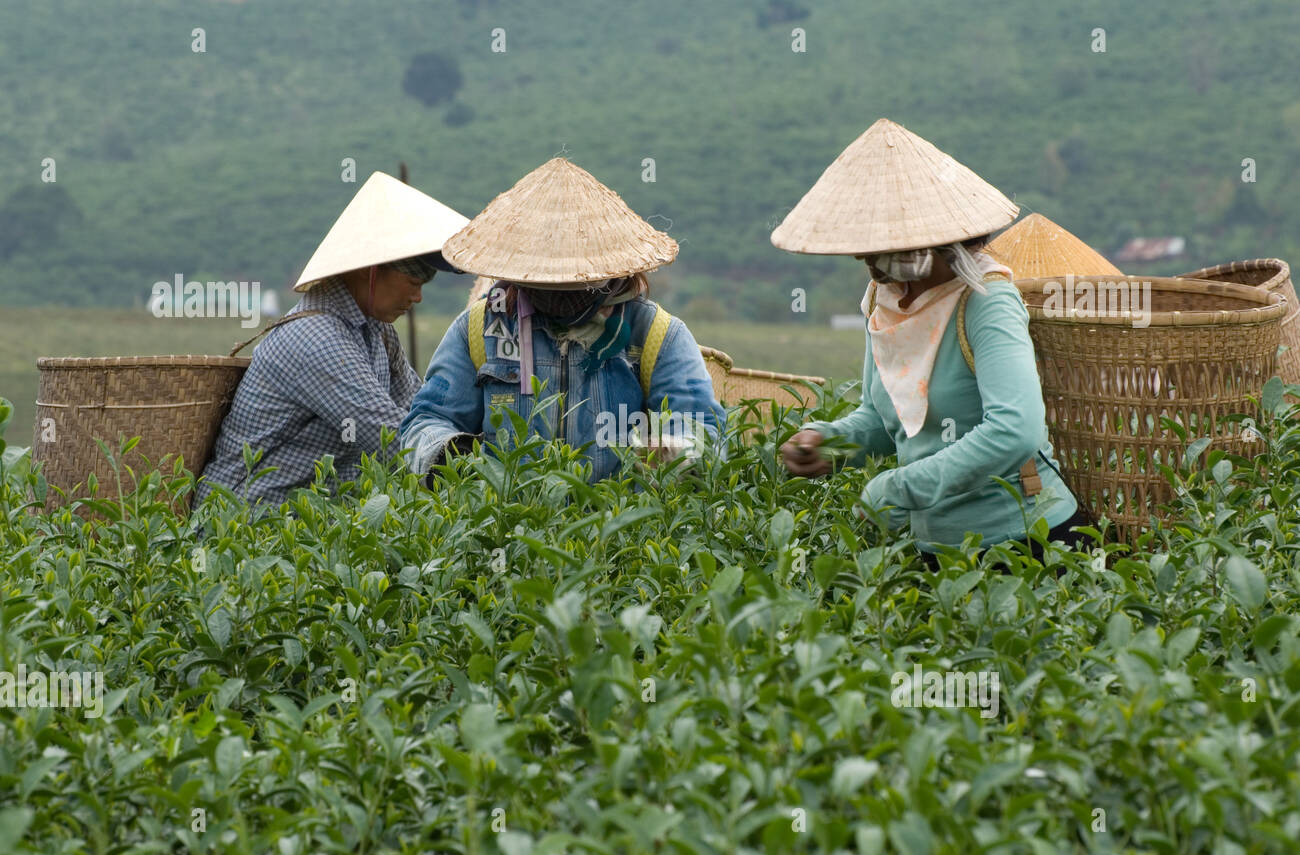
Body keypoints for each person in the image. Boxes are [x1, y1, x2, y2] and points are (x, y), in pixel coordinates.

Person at [771, 118, 1089, 568]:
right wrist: (829, 443)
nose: (871, 266)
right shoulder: (883, 304)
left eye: (885, 252)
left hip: (1024, 542)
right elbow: (889, 421)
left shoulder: (986, 302)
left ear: (937, 244)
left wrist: (898, 488)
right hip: (935, 551)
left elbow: (1014, 430)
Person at [401, 157, 724, 482]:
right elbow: (427, 420)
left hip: (616, 525)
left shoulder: (653, 334)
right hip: (510, 525)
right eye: (546, 280)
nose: (561, 293)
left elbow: (703, 430)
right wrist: (453, 454)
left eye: (577, 281)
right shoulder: (481, 329)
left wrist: (675, 453)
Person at [193, 171, 469, 509]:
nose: (418, 297)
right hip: (242, 525)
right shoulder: (315, 339)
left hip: (308, 521)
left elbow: (419, 411)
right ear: (371, 271)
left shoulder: (379, 334)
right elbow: (393, 438)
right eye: (414, 280)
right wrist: (480, 466)